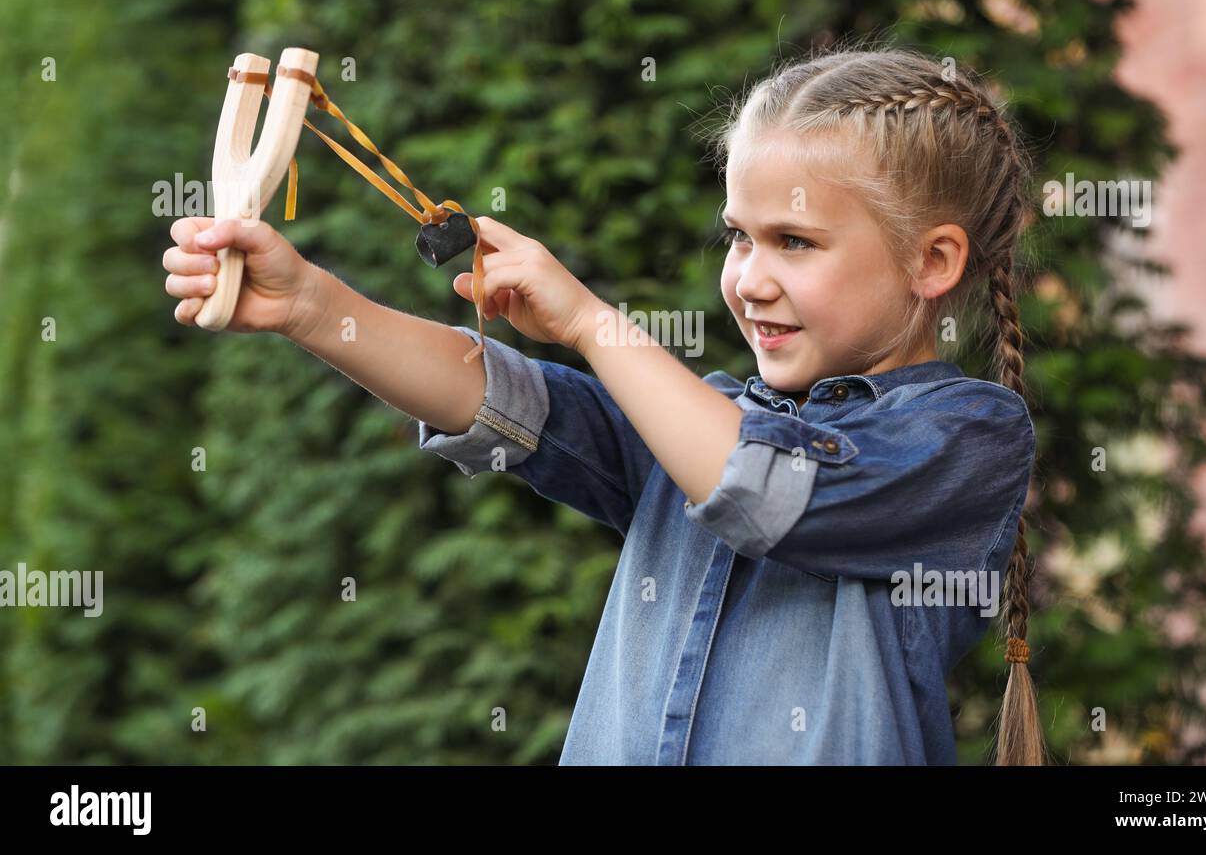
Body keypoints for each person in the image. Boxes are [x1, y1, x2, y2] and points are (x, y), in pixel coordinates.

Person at [163, 45, 1044, 765]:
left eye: (795, 242)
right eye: (739, 236)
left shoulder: (967, 439)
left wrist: (590, 322)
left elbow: (765, 490)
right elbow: (502, 400)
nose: (751, 277)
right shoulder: (696, 417)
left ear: (934, 262)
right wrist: (316, 308)